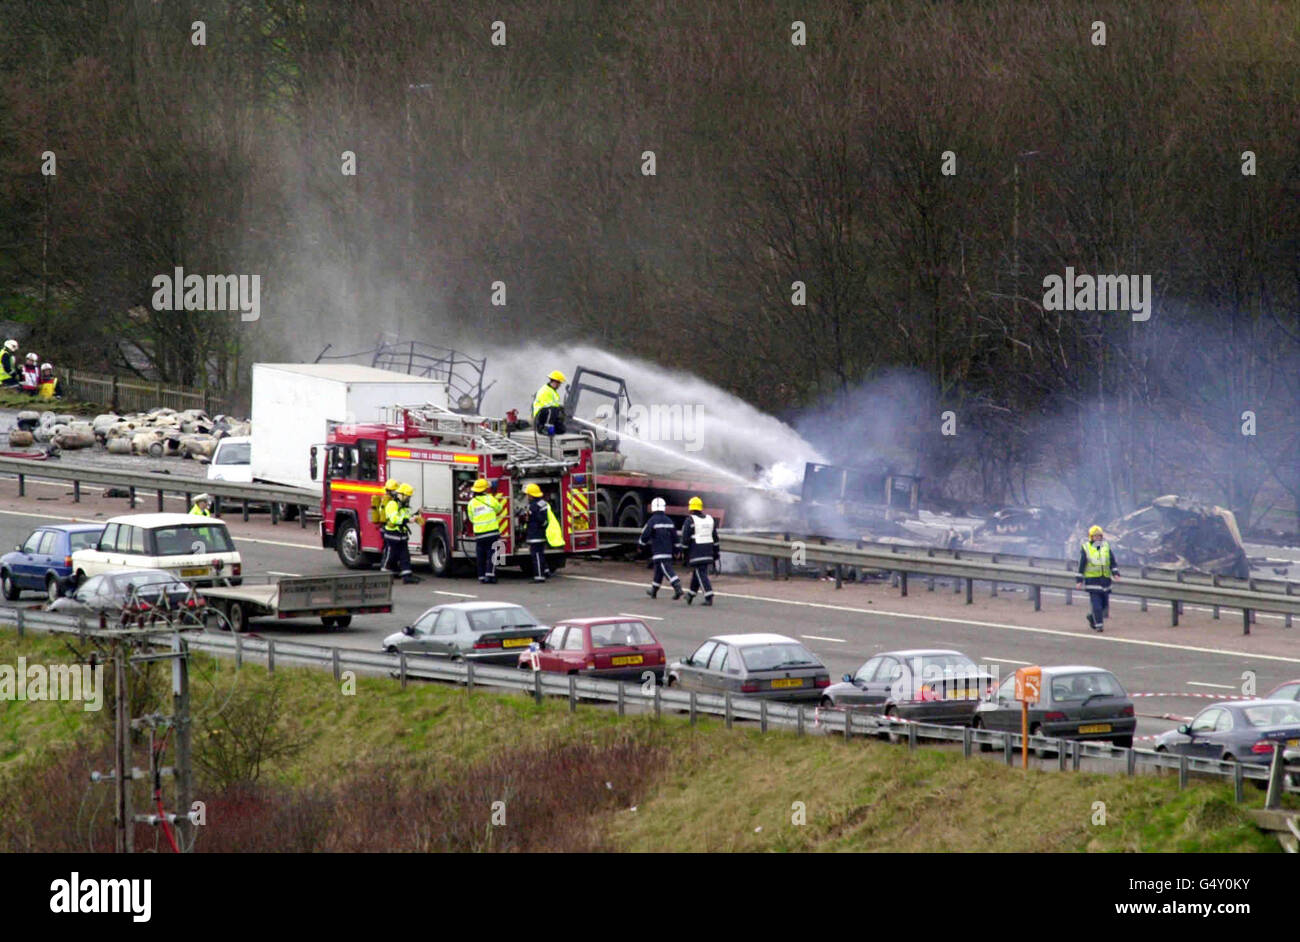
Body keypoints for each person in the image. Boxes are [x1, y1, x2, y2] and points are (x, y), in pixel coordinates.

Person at [1076, 525, 1120, 632]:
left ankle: (1092, 617)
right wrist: (1079, 581)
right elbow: (1081, 565)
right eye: (1095, 537)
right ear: (1091, 537)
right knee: (1097, 605)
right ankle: (1099, 625)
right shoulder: (1086, 548)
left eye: (1099, 536)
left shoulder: (1106, 547)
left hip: (1105, 581)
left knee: (1104, 605)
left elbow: (1112, 561)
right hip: (1093, 581)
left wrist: (1115, 573)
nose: (1097, 538)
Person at [639, 497, 682, 599]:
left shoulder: (652, 521)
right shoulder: (669, 521)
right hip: (668, 551)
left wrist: (641, 545)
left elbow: (645, 534)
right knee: (659, 571)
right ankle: (654, 590)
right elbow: (675, 537)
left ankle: (677, 587)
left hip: (659, 551)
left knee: (666, 569)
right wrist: (677, 550)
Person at [679, 496, 719, 606]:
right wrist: (716, 553)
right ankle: (690, 595)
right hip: (708, 551)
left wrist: (682, 551)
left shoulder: (690, 520)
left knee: (700, 573)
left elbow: (685, 539)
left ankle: (708, 595)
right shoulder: (709, 519)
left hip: (696, 552)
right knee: (698, 572)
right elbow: (715, 538)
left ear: (691, 508)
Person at [522, 483, 563, 583]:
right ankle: (546, 570)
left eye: (528, 494)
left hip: (534, 534)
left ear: (531, 495)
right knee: (540, 554)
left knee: (536, 556)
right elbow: (544, 520)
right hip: (541, 533)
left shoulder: (532, 507)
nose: (527, 496)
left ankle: (539, 576)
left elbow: (530, 519)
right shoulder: (543, 504)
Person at [467, 478, 505, 584]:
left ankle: (481, 576)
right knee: (492, 554)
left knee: (481, 555)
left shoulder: (471, 503)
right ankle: (490, 575)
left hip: (479, 534)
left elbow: (471, 518)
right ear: (485, 490)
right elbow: (499, 508)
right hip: (492, 532)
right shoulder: (490, 499)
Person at [382, 483, 421, 584]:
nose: (408, 499)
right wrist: (408, 520)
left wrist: (416, 515)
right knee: (390, 555)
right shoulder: (392, 504)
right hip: (392, 535)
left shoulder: (405, 507)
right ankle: (383, 576)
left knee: (405, 556)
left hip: (402, 535)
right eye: (407, 497)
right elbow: (394, 518)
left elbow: (406, 517)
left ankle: (406, 576)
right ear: (401, 495)